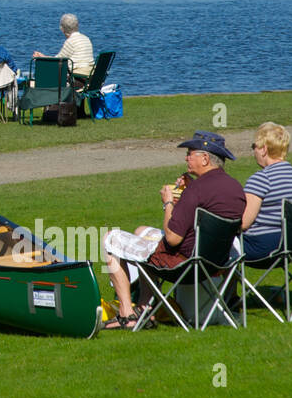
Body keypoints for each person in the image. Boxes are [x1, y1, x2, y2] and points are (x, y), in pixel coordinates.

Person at [101, 131, 246, 329]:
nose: (186, 157)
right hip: (216, 263)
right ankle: (145, 306)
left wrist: (168, 202)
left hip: (183, 266)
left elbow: (172, 239)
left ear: (205, 158)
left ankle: (127, 314)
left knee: (111, 239)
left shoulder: (196, 191)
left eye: (190, 153)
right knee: (143, 232)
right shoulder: (235, 187)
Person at [239, 122, 292, 261]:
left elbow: (243, 223)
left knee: (218, 245)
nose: (253, 152)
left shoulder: (261, 178)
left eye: (254, 147)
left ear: (263, 149)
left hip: (264, 248)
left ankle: (222, 283)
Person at [33, 13, 94, 87]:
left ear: (62, 29)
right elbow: (60, 59)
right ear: (77, 26)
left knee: (44, 71)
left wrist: (40, 59)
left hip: (77, 80)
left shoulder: (71, 42)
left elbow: (57, 62)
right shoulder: (86, 39)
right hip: (90, 77)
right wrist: (44, 56)